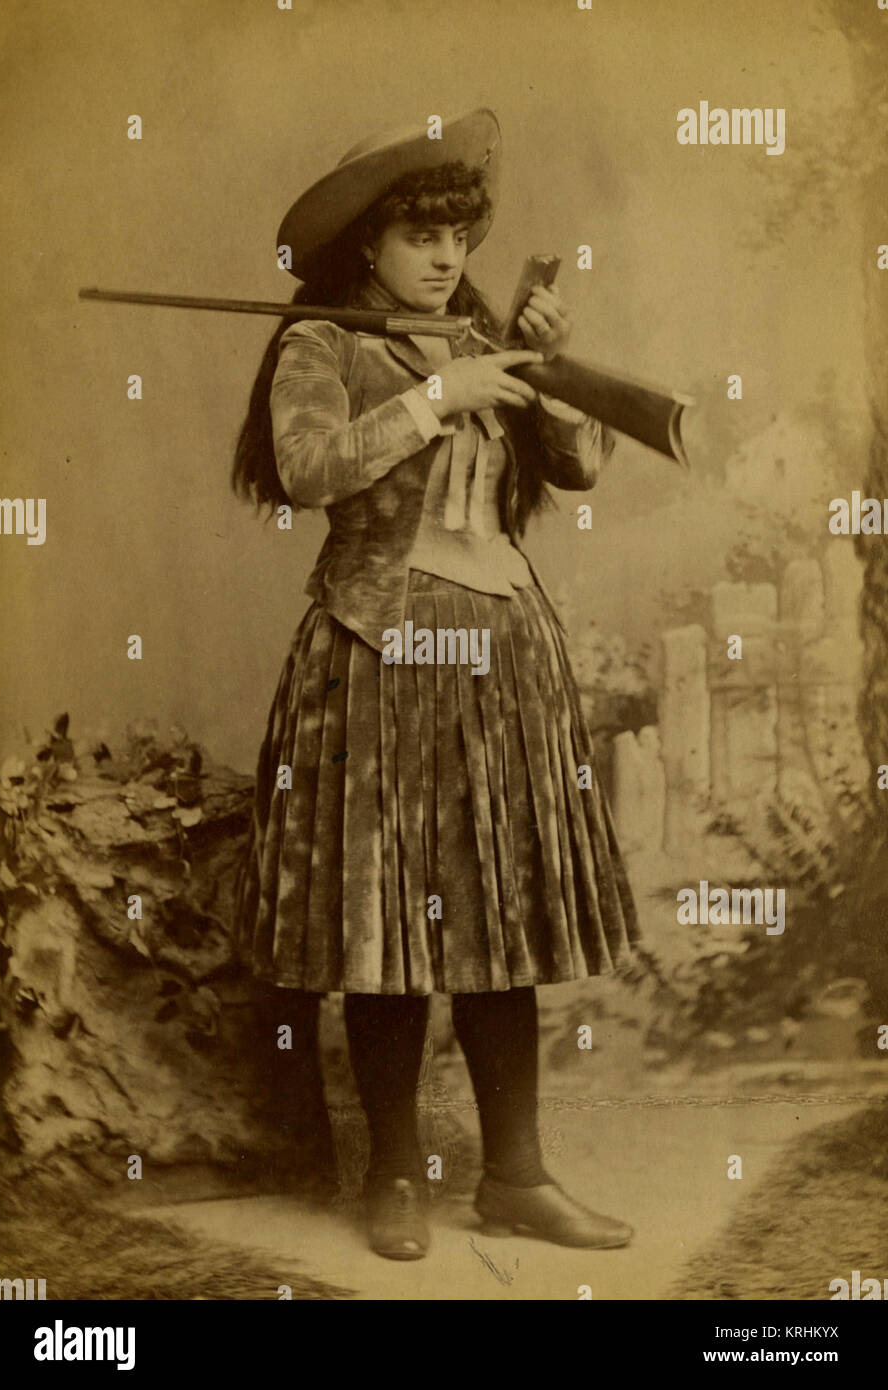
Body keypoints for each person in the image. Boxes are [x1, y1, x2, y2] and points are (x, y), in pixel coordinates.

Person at [233, 108, 641, 1260]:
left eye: (458, 233)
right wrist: (433, 399)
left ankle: (515, 1176)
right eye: (418, 235)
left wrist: (545, 377)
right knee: (387, 923)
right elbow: (307, 472)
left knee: (498, 916)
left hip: (505, 655)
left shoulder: (482, 330)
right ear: (366, 244)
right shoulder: (322, 343)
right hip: (378, 654)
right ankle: (394, 1178)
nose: (445, 256)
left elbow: (574, 466)